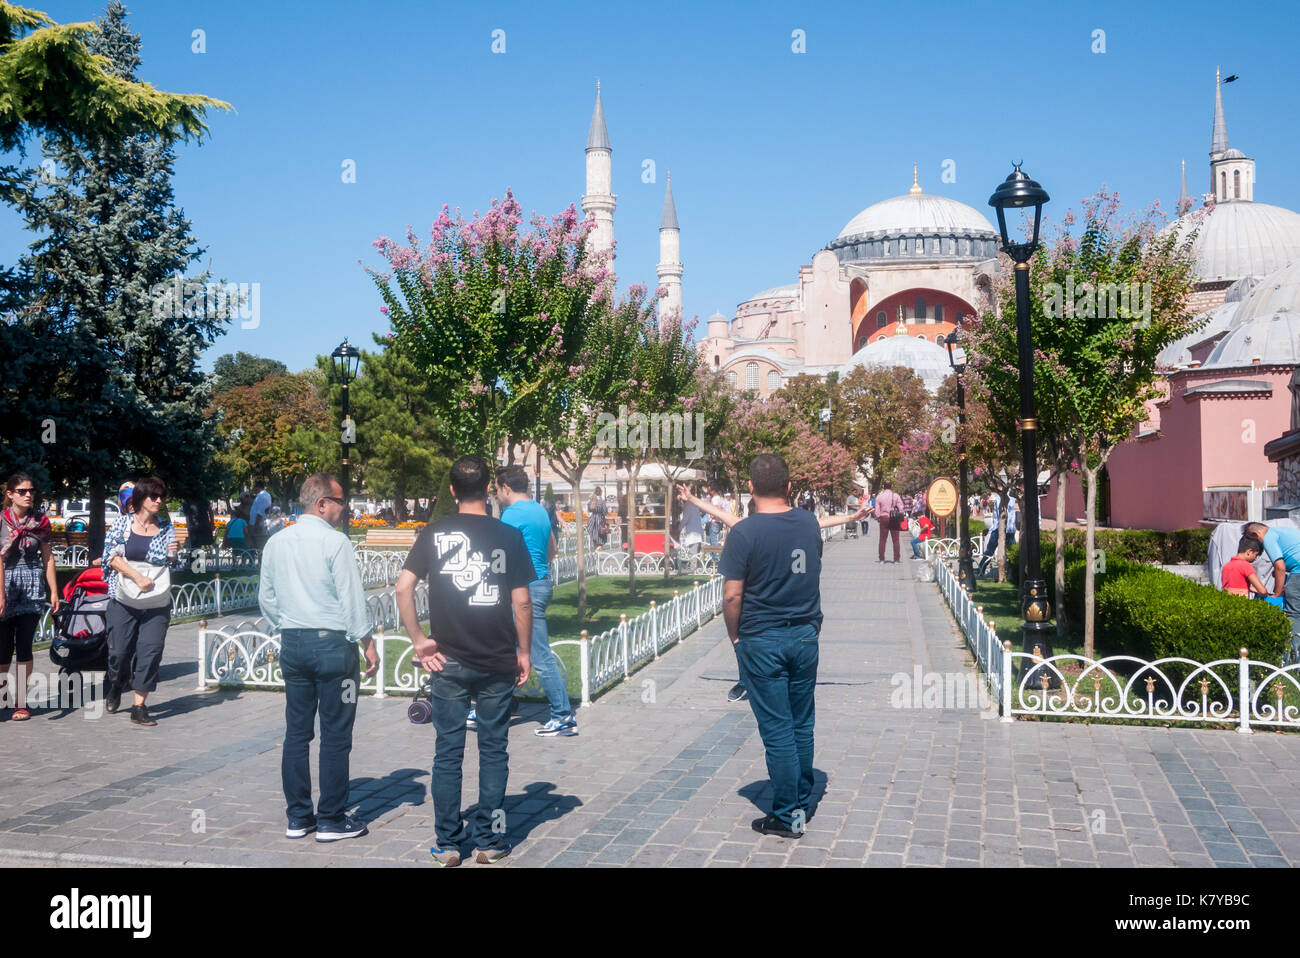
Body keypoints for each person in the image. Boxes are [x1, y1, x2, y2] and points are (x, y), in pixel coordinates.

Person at [396, 456, 534, 867]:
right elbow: (522, 601)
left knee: (448, 751)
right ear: (489, 488)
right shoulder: (508, 535)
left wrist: (420, 641)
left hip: (448, 661)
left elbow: (403, 589)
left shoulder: (433, 533)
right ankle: (490, 842)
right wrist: (523, 651)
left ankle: (448, 842)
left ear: (452, 490)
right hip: (495, 660)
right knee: (494, 749)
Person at [258, 473, 379, 842]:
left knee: (296, 732)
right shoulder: (335, 542)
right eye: (341, 501)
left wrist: (290, 624)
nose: (345, 509)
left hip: (294, 644)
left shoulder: (277, 542)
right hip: (332, 648)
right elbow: (351, 597)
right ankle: (330, 818)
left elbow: (267, 598)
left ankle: (298, 816)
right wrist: (367, 641)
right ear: (322, 503)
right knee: (336, 734)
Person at [719, 454, 827, 839]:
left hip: (763, 639)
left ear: (750, 488)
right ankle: (801, 798)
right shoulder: (808, 522)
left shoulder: (745, 533)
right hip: (803, 635)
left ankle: (787, 815)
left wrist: (735, 636)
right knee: (802, 722)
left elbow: (732, 596)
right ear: (789, 486)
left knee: (778, 729)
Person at [678, 483, 864, 705]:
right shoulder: (750, 528)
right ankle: (745, 680)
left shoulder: (787, 527)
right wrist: (691, 499)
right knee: (749, 646)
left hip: (772, 613)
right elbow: (720, 513)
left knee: (749, 644)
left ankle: (751, 680)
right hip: (774, 615)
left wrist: (851, 519)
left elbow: (820, 522)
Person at [496, 464, 575, 737]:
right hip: (541, 582)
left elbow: (499, 556)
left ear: (505, 487)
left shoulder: (510, 515)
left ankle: (562, 714)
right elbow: (552, 548)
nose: (496, 495)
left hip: (523, 589)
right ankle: (496, 706)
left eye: (497, 489)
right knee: (508, 649)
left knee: (537, 653)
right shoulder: (540, 510)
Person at [102, 477, 182, 726]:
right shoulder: (123, 524)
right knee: (120, 652)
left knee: (151, 650)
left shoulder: (166, 527)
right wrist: (137, 577)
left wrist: (175, 554)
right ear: (140, 499)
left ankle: (139, 706)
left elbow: (173, 563)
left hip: (155, 600)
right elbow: (110, 557)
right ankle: (116, 683)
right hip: (124, 596)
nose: (159, 501)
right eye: (153, 497)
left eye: (161, 496)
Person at [0, 473, 60, 720]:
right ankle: (3, 696)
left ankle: (21, 702)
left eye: (31, 491)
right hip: (5, 583)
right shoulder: (1, 521)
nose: (28, 495)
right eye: (22, 491)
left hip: (32, 586)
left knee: (25, 645)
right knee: (3, 648)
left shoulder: (41, 522)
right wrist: (0, 594)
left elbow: (48, 557)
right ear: (10, 494)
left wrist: (54, 590)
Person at [873, 481, 904, 563]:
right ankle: (896, 559)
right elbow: (901, 508)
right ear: (891, 486)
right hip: (894, 518)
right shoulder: (895, 495)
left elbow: (876, 511)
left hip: (883, 518)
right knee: (896, 540)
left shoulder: (879, 496)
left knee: (882, 540)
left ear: (883, 486)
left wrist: (878, 517)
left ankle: (881, 559)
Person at [249, 480, 272, 550]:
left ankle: (258, 560)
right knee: (258, 547)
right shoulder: (263, 495)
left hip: (258, 525)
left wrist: (256, 526)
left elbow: (260, 513)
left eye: (254, 487)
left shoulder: (262, 496)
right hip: (259, 524)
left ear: (258, 487)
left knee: (258, 546)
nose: (253, 489)